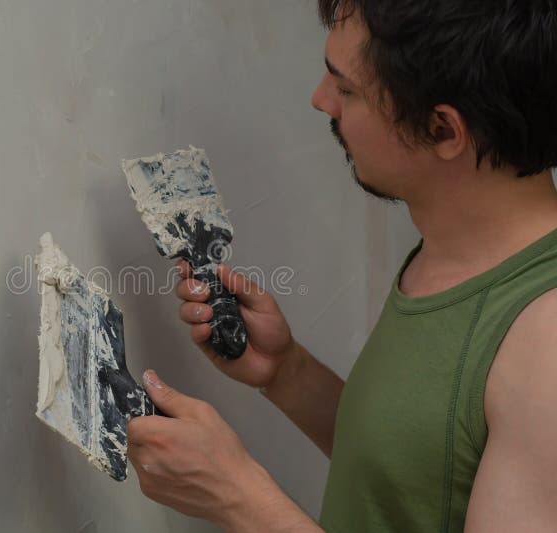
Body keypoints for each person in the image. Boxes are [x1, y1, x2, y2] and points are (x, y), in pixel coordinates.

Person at [126, 0, 557, 531]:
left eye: (347, 89)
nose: (320, 99)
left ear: (444, 130)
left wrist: (237, 496)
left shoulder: (546, 346)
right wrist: (288, 374)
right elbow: (416, 478)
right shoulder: (453, 257)